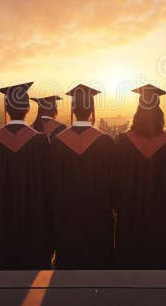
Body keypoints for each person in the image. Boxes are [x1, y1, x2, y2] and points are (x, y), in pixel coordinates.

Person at [0, 82, 53, 269]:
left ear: (6, 108)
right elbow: (49, 191)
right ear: (28, 108)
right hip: (33, 235)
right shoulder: (40, 143)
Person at [112, 84, 166, 269]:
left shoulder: (123, 142)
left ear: (138, 111)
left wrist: (120, 205)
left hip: (130, 219)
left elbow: (114, 182)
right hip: (163, 222)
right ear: (159, 113)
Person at [48, 84, 115, 269]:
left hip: (67, 222)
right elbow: (113, 186)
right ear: (92, 109)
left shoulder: (57, 143)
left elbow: (52, 187)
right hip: (98, 221)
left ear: (72, 109)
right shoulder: (105, 142)